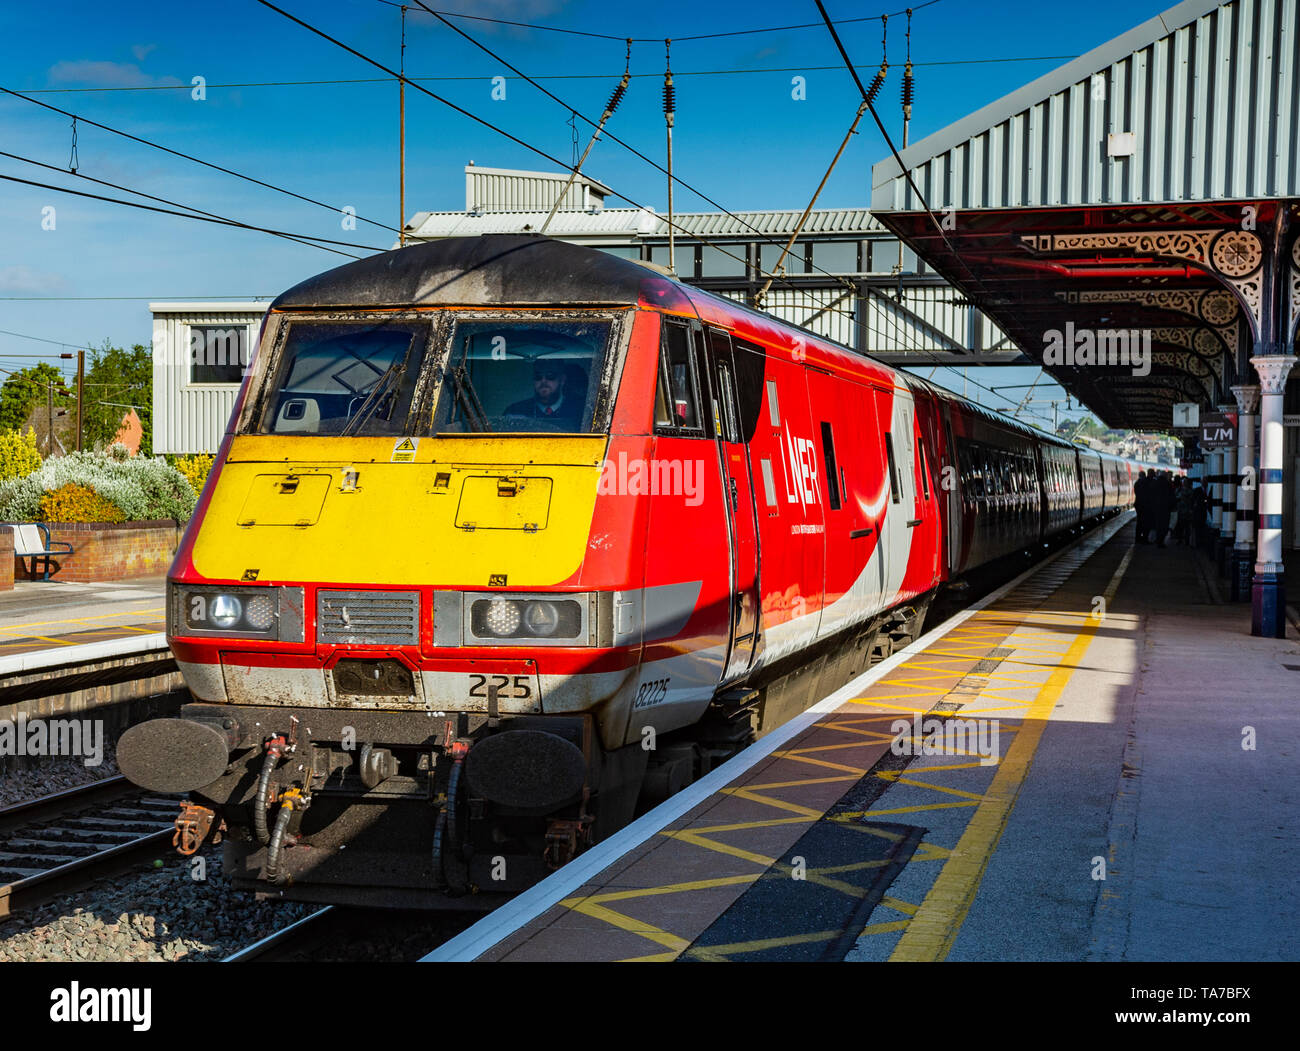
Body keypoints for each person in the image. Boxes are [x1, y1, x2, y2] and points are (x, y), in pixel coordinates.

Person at [504, 360, 580, 425]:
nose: (543, 381)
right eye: (538, 377)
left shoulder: (578, 411)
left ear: (562, 380)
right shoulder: (515, 411)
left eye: (550, 376)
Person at [1134, 470, 1151, 544]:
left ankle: (1138, 538)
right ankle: (1144, 538)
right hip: (1145, 506)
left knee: (1139, 523)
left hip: (1138, 505)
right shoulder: (1146, 483)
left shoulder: (1136, 483)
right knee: (1145, 523)